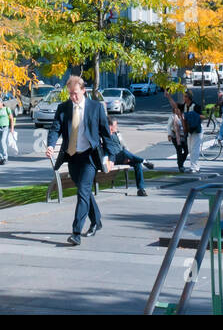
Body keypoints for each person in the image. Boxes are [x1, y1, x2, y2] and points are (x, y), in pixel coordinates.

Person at [45, 75, 113, 246]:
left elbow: (106, 134)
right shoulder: (64, 108)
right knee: (84, 192)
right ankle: (96, 220)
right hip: (72, 156)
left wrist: (110, 157)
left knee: (82, 192)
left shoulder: (96, 108)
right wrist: (51, 145)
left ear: (83, 90)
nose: (72, 97)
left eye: (75, 93)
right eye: (70, 94)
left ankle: (76, 232)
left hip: (90, 156)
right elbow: (55, 129)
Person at [106, 118, 154, 196]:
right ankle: (144, 161)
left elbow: (124, 146)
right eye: (115, 125)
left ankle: (141, 189)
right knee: (125, 152)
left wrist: (129, 157)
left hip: (123, 156)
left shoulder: (117, 134)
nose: (117, 127)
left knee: (137, 163)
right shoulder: (105, 136)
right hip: (113, 159)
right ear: (110, 126)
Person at [182, 89, 203, 172]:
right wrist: (169, 97)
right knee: (190, 149)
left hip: (196, 130)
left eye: (185, 96)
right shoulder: (184, 106)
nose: (184, 98)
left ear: (189, 97)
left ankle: (194, 167)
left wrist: (193, 120)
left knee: (194, 149)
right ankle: (196, 165)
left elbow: (200, 117)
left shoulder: (195, 106)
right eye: (184, 96)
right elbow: (175, 106)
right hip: (189, 130)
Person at [0, 94, 15, 165]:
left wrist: (12, 128)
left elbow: (11, 119)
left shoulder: (7, 109)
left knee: (2, 141)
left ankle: (5, 157)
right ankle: (1, 158)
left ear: (2, 103)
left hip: (5, 127)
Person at [167, 100, 189, 173]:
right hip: (175, 137)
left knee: (186, 151)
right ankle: (180, 166)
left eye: (178, 109)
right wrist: (169, 135)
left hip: (183, 136)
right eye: (175, 109)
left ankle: (180, 162)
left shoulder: (183, 116)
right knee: (179, 151)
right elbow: (169, 126)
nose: (176, 110)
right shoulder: (173, 117)